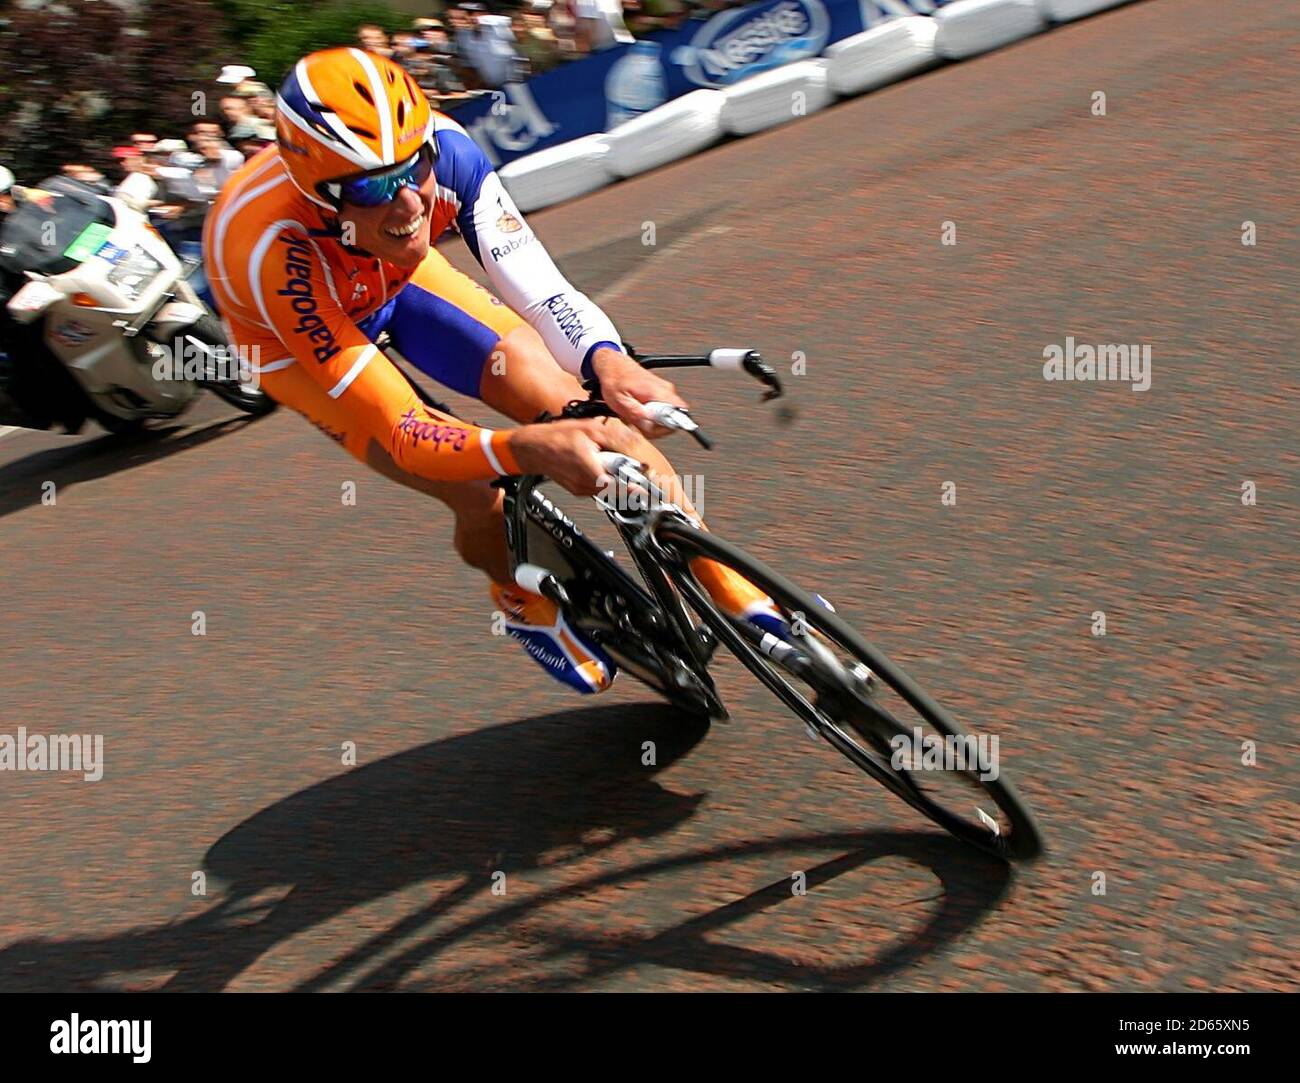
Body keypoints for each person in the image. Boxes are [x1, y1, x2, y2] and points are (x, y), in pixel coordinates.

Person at [203, 48, 784, 694]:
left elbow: (541, 291)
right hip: (293, 339)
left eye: (414, 166)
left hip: (393, 277)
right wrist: (520, 447)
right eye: (371, 186)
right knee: (475, 487)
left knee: (585, 413)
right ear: (321, 197)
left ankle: (729, 585)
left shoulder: (448, 151)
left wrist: (606, 359)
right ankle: (515, 593)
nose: (407, 202)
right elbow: (402, 428)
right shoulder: (272, 252)